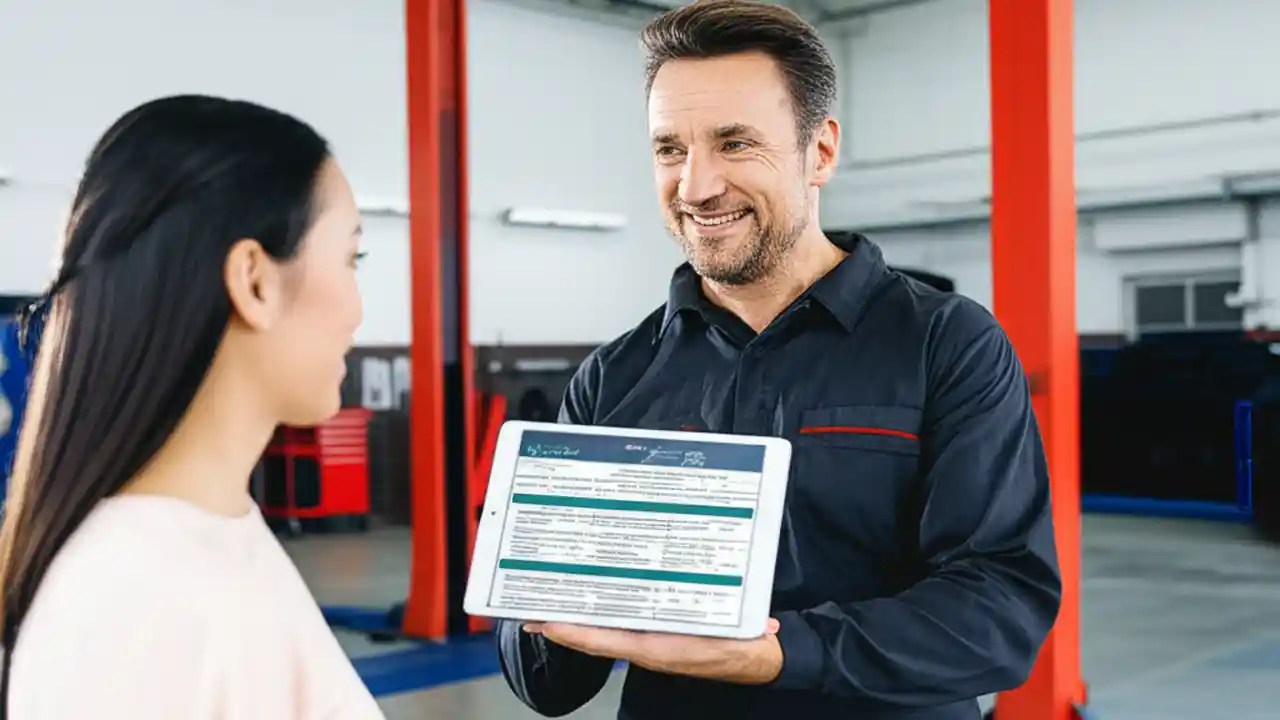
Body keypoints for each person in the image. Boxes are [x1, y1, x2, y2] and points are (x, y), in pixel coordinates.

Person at [496, 2, 1062, 719]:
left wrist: (777, 655)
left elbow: (1001, 608)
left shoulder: (946, 345)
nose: (695, 186)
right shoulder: (613, 377)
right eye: (670, 149)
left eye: (734, 143)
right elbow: (547, 686)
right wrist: (536, 588)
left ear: (819, 152)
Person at [0, 95, 385, 719]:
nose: (358, 310)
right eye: (351, 259)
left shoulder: (209, 540)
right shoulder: (135, 600)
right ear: (255, 281)